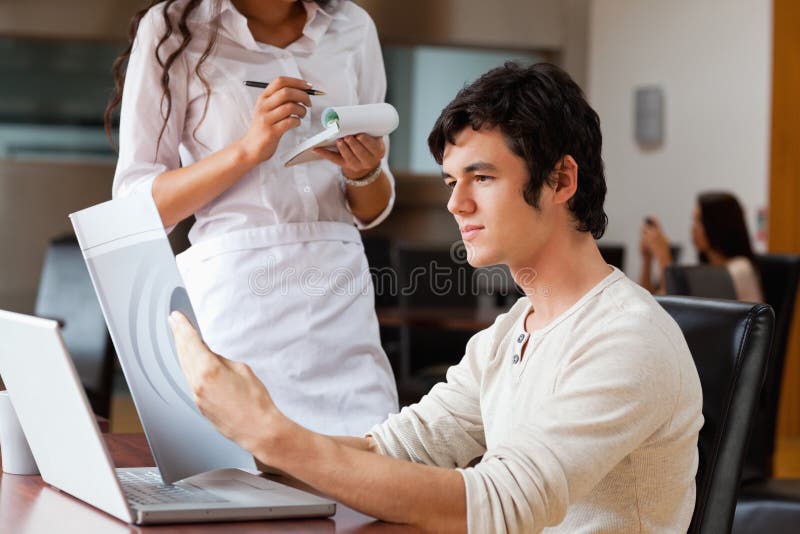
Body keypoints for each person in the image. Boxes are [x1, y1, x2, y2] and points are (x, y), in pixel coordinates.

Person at [169, 62, 704, 533]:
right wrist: (249, 443)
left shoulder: (626, 337)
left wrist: (273, 434)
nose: (456, 202)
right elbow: (394, 449)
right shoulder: (513, 330)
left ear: (561, 179)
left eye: (482, 177)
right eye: (451, 180)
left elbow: (500, 504)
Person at [106, 0, 398, 436]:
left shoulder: (353, 25)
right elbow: (132, 210)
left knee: (370, 475)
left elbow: (372, 209)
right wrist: (247, 150)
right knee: (242, 483)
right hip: (236, 310)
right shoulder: (171, 28)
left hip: (341, 307)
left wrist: (364, 171)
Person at [640, 192, 763, 302]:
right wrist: (647, 260)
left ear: (718, 224)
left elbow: (675, 309)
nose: (693, 228)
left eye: (700, 221)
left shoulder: (740, 268)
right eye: (694, 220)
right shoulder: (707, 267)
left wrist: (663, 257)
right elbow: (647, 305)